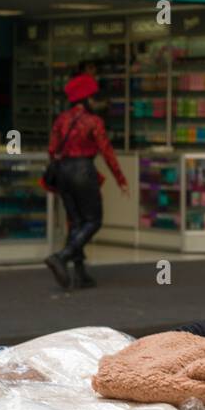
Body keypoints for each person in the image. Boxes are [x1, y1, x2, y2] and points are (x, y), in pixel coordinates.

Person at [43, 74, 128, 290]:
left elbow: (52, 149)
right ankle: (61, 257)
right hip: (83, 170)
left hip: (62, 172)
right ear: (88, 98)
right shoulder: (93, 121)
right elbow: (107, 152)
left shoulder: (61, 119)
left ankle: (80, 275)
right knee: (93, 220)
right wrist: (120, 179)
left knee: (76, 221)